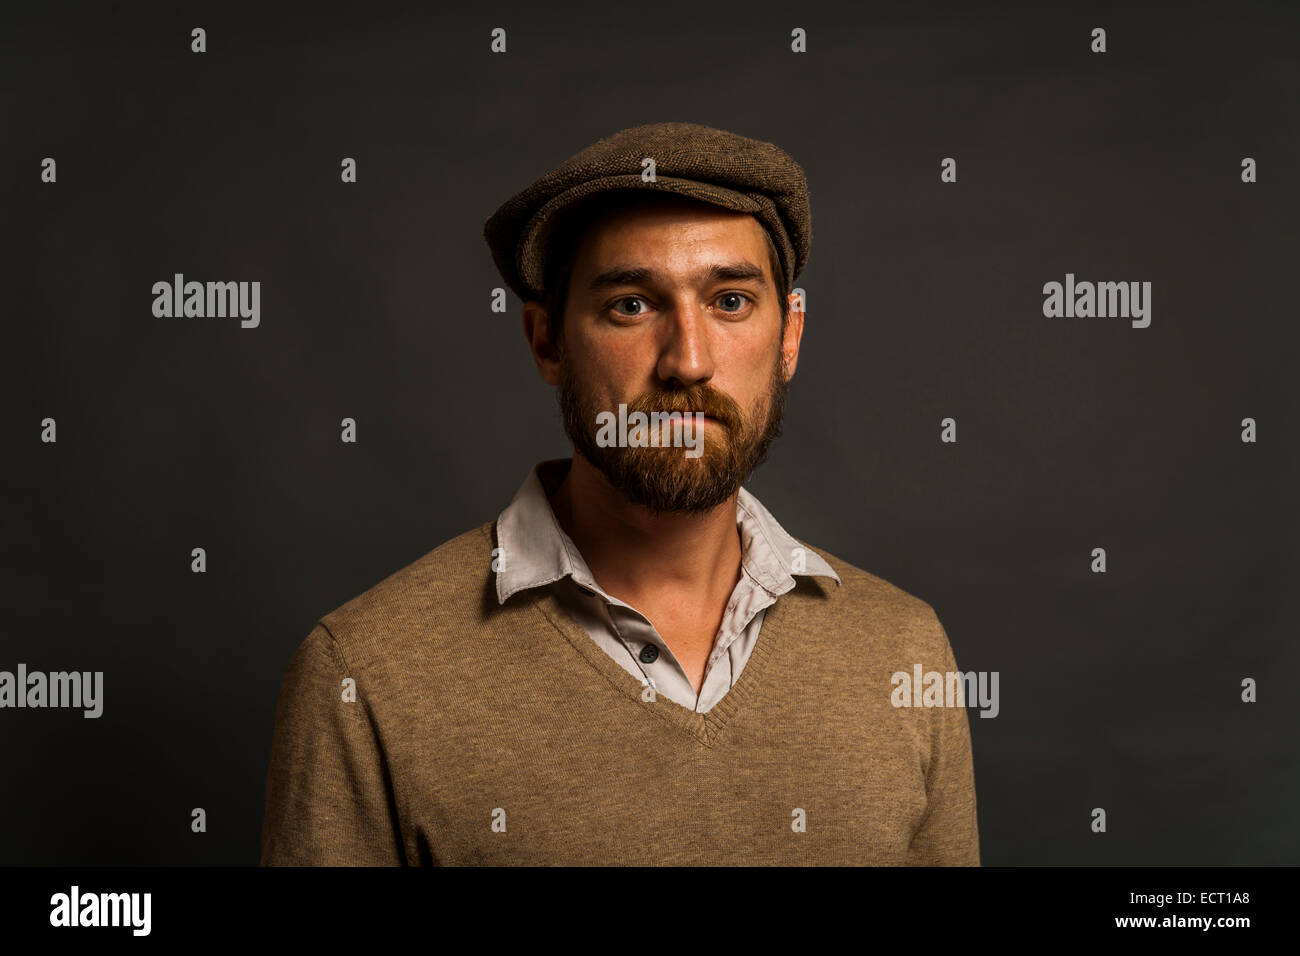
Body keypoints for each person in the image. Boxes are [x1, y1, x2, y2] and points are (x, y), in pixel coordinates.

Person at [260, 121, 980, 865]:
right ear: (547, 343)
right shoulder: (365, 675)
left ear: (789, 337)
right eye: (631, 305)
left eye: (730, 301)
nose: (688, 362)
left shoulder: (903, 650)